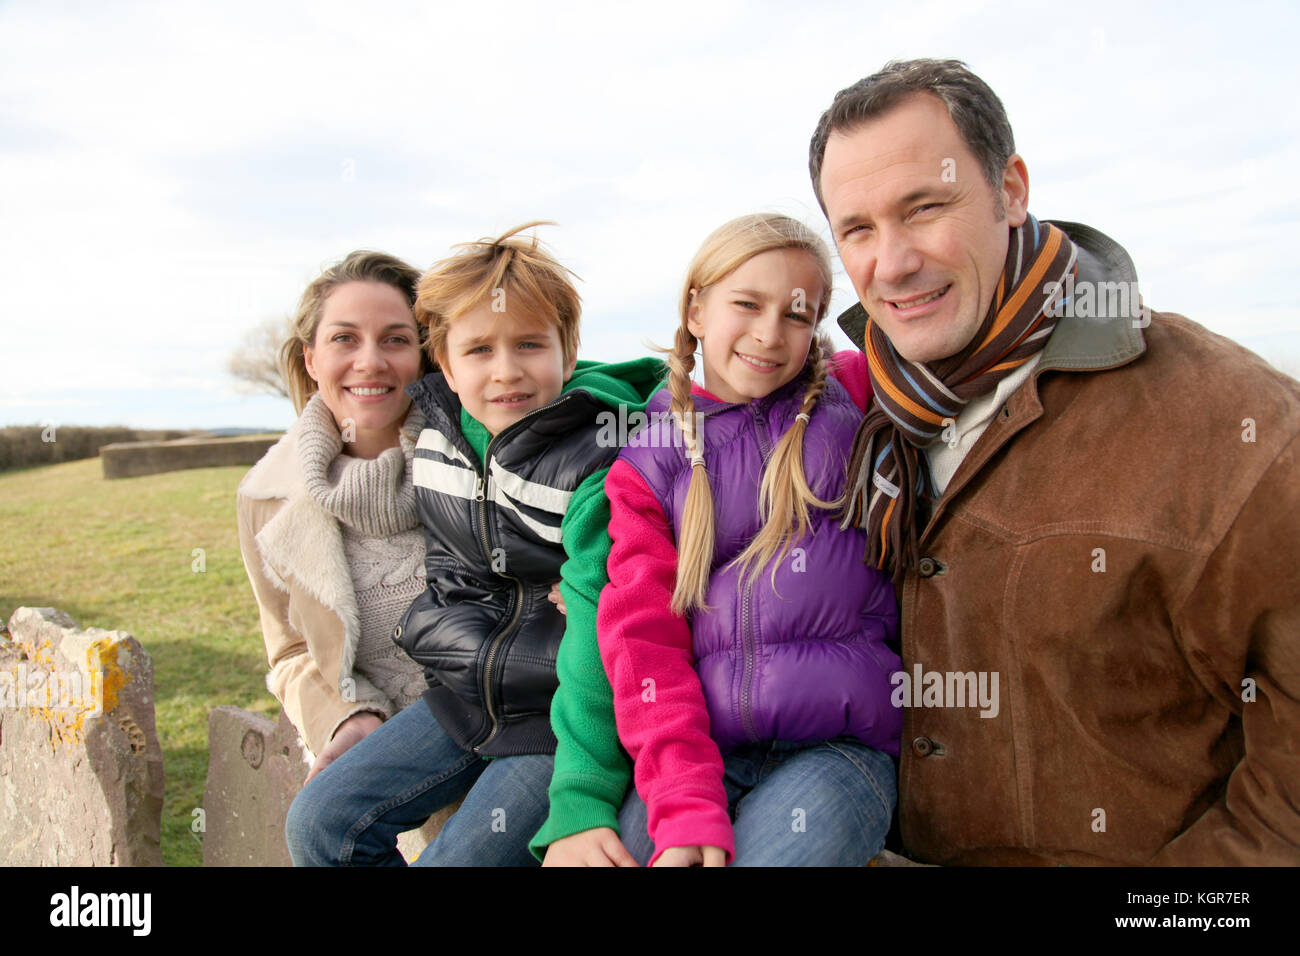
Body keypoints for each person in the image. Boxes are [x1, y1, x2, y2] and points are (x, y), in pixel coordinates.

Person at [809, 58, 1300, 865]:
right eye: (857, 229)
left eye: (924, 208)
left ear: (1010, 190)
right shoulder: (864, 417)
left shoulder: (1235, 423)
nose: (890, 264)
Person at [283, 222, 665, 866]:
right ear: (447, 366)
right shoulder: (441, 437)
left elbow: (605, 636)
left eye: (530, 345)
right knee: (321, 822)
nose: (507, 371)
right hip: (466, 698)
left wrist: (582, 793)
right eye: (480, 350)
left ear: (568, 353)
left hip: (560, 719)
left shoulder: (596, 462)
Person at [533, 213, 903, 866]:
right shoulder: (646, 463)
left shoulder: (853, 392)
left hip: (840, 750)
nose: (769, 333)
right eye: (746, 304)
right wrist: (682, 798)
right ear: (697, 309)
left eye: (796, 314)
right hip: (702, 747)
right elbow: (643, 641)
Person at [237, 250, 430, 781]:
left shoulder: (477, 455)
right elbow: (290, 649)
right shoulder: (266, 497)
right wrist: (345, 717)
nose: (370, 361)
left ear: (424, 355)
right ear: (311, 359)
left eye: (395, 338)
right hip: (388, 763)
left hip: (513, 738)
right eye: (344, 338)